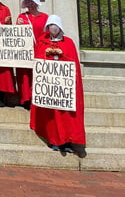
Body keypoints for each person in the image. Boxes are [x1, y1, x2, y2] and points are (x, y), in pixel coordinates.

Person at [30, 15, 85, 154]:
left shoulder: (68, 43)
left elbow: (73, 63)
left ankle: (67, 140)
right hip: (50, 86)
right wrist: (47, 54)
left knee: (66, 115)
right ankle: (54, 140)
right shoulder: (42, 42)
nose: (53, 28)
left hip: (64, 87)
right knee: (51, 115)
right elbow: (38, 63)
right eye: (50, 25)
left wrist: (62, 56)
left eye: (55, 25)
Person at [16, 0, 48, 109]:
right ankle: (25, 98)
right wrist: (17, 25)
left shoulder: (45, 17)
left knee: (37, 75)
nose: (30, 5)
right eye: (28, 3)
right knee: (24, 75)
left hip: (39, 50)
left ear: (37, 3)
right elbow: (16, 35)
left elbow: (47, 33)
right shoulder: (22, 17)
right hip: (25, 51)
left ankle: (37, 97)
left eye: (32, 2)